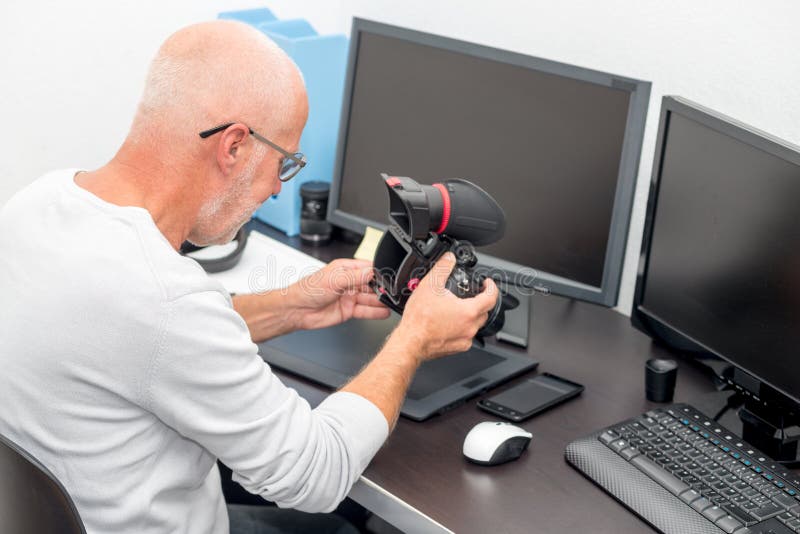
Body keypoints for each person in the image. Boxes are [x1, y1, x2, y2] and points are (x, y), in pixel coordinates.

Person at [0, 19, 498, 534]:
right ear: (234, 146)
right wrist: (413, 337)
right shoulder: (164, 301)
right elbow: (315, 473)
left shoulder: (35, 205)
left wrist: (291, 304)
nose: (280, 191)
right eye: (285, 164)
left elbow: (132, 340)